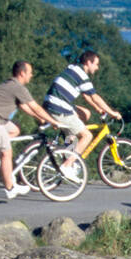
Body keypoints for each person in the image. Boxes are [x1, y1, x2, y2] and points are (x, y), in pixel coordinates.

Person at [0, 61, 61, 199]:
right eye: (30, 72)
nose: (31, 75)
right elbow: (35, 106)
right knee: (7, 153)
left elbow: (26, 108)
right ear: (22, 73)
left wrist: (41, 118)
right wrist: (53, 121)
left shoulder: (11, 85)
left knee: (14, 130)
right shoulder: (17, 87)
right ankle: (10, 187)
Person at [43, 50, 121, 180]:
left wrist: (98, 109)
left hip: (51, 103)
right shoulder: (82, 75)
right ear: (88, 62)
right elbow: (94, 96)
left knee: (85, 114)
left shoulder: (73, 68)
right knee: (87, 135)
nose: (97, 67)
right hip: (59, 108)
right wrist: (112, 113)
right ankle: (67, 165)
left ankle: (69, 146)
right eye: (96, 64)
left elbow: (86, 95)